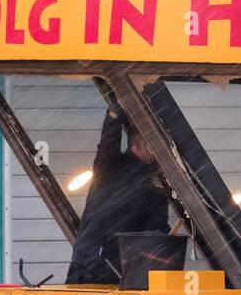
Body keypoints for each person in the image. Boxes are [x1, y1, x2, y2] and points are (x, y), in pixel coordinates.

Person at [66, 107, 170, 285]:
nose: (162, 150)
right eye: (156, 143)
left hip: (126, 271)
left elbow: (157, 228)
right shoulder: (110, 167)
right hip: (93, 267)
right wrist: (114, 114)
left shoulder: (160, 180)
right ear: (138, 144)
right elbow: (108, 142)